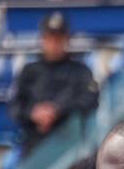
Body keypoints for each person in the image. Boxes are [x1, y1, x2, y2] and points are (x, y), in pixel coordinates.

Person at [7, 12, 100, 152]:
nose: (54, 44)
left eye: (59, 39)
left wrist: (57, 110)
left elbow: (91, 100)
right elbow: (14, 106)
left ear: (67, 39)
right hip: (34, 148)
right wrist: (33, 113)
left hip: (70, 148)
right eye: (50, 38)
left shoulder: (81, 71)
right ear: (42, 39)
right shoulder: (29, 71)